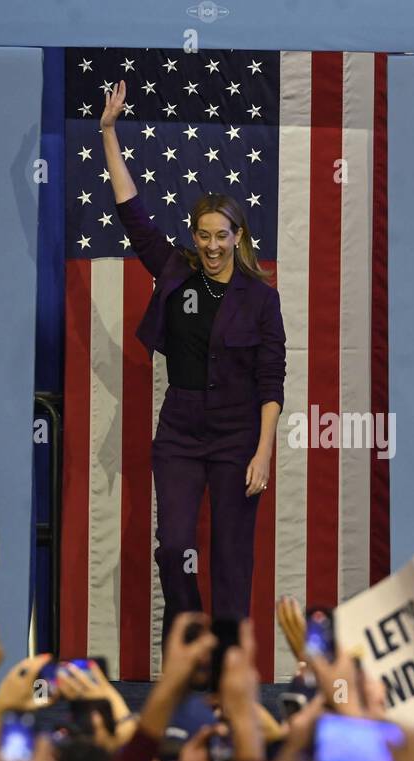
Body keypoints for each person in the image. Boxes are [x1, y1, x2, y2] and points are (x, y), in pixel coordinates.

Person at [100, 79, 287, 639]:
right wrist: (109, 131)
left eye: (221, 236)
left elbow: (271, 380)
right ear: (194, 237)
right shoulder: (175, 270)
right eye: (203, 235)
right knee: (174, 547)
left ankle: (227, 668)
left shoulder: (261, 297)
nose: (211, 245)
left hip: (237, 436)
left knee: (232, 561)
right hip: (180, 430)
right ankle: (187, 656)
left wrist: (262, 453)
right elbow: (132, 210)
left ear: (238, 236)